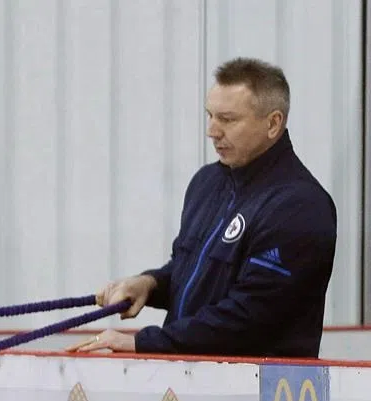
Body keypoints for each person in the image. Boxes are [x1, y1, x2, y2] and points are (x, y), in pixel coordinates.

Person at [71, 58, 336, 358]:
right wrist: (150, 284)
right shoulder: (207, 183)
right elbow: (188, 271)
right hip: (189, 387)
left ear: (273, 123)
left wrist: (143, 343)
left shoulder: (300, 206)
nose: (212, 130)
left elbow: (250, 317)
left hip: (256, 396)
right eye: (210, 115)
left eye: (228, 119)